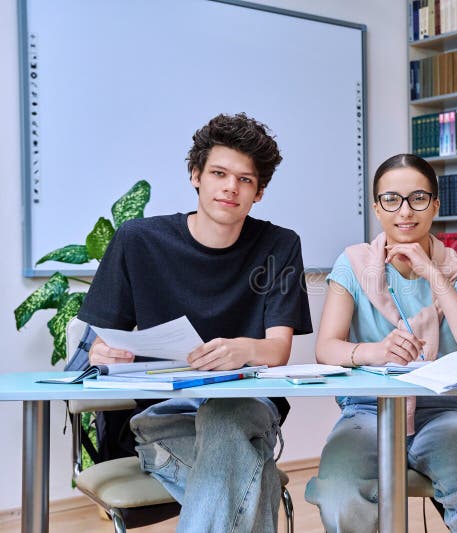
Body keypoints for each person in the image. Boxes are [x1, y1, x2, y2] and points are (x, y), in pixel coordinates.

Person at [77, 112, 313, 533]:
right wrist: (102, 351)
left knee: (228, 424)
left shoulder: (280, 244)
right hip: (165, 418)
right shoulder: (138, 240)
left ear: (259, 192)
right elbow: (98, 344)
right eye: (220, 173)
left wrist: (243, 348)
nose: (231, 188)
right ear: (195, 175)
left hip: (246, 411)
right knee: (255, 481)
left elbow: (277, 349)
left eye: (245, 180)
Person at [304, 153, 457, 532]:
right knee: (338, 496)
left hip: (445, 412)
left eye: (418, 198)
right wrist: (374, 352)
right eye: (391, 200)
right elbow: (327, 347)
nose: (405, 211)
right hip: (365, 411)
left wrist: (433, 274)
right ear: (376, 208)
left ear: (435, 205)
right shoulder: (352, 264)